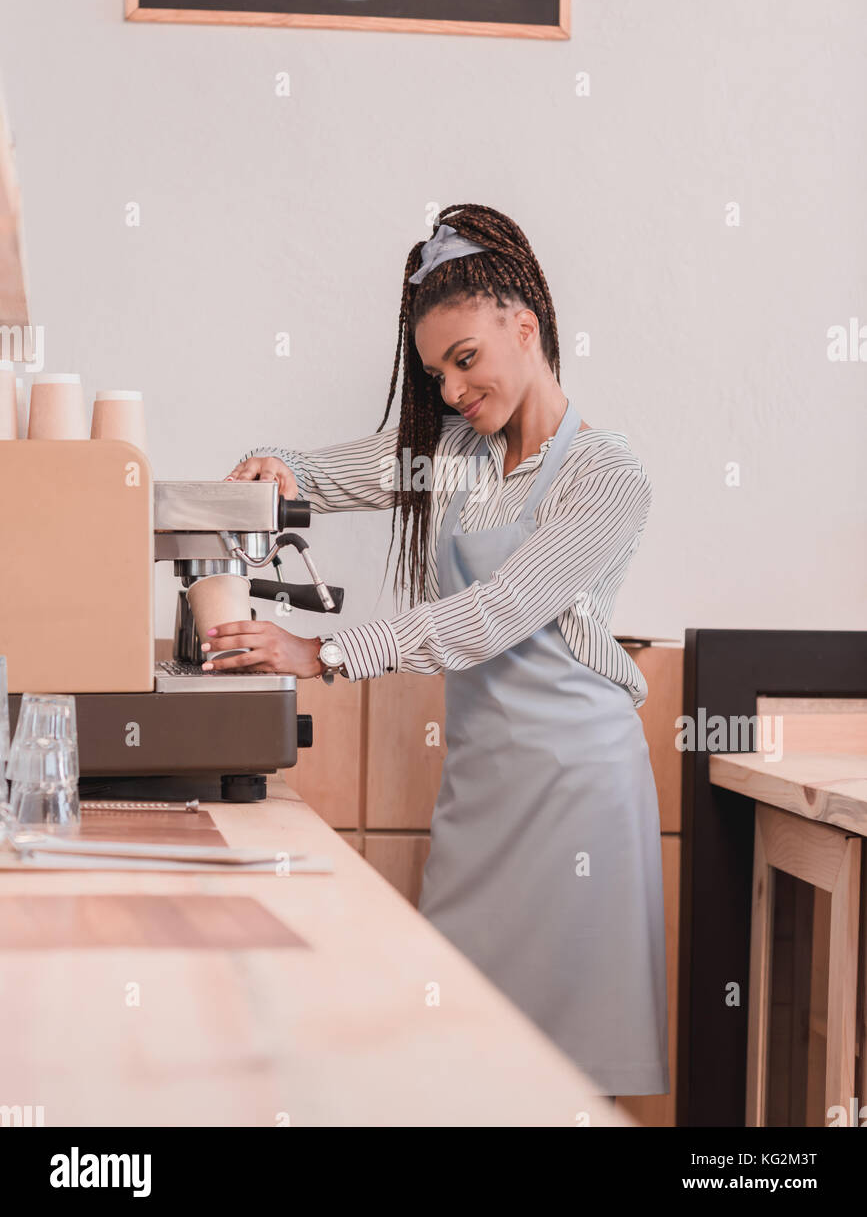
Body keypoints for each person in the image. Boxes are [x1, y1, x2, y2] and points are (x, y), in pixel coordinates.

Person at [217, 203, 669, 1097]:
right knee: (453, 1059)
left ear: (523, 325)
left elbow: (494, 614)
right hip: (481, 788)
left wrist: (323, 654)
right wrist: (274, 465)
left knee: (570, 1079)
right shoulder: (455, 455)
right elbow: (337, 469)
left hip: (578, 796)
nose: (454, 391)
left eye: (465, 360)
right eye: (437, 374)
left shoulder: (608, 476)